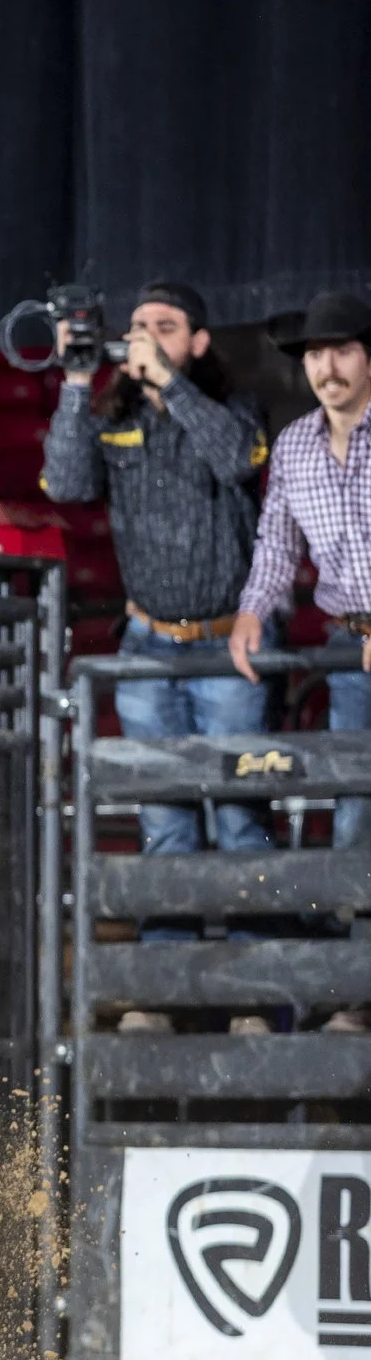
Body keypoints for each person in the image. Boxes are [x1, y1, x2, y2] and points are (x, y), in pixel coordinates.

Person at [41, 280, 273, 1029]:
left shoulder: (233, 409)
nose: (142, 338)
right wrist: (78, 380)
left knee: (240, 819)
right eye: (136, 327)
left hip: (222, 645)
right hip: (147, 645)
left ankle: (252, 993)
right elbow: (68, 484)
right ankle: (165, 987)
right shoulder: (116, 414)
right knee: (166, 822)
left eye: (163, 327)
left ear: (197, 342)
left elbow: (239, 459)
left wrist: (168, 381)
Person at [230, 290, 371, 1034]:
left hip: (358, 640)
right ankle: (356, 995)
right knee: (353, 818)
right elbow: (277, 543)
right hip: (350, 644)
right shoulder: (294, 446)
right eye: (315, 354)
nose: (326, 366)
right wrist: (255, 608)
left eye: (342, 349)